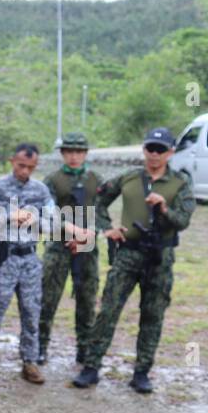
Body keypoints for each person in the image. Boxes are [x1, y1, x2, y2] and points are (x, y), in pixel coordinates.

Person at [74, 127, 195, 394]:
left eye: (160, 150)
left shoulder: (180, 183)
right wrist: (107, 228)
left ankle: (141, 372)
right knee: (108, 310)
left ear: (171, 153)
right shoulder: (129, 178)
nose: (154, 154)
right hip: (128, 253)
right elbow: (98, 201)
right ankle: (91, 367)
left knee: (152, 314)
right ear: (143, 150)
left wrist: (164, 208)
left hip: (160, 256)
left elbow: (184, 220)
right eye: (150, 148)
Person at [0, 143, 57, 385]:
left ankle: (29, 362)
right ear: (12, 161)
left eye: (30, 167)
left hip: (30, 259)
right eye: (21, 165)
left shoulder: (41, 190)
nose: (25, 171)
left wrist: (36, 219)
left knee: (32, 313)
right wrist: (9, 216)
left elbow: (53, 223)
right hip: (5, 257)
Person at [39, 132, 101, 365]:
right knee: (48, 299)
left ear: (85, 154)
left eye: (78, 152)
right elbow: (48, 212)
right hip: (58, 245)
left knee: (87, 299)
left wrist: (88, 233)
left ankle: (84, 348)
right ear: (63, 154)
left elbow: (102, 211)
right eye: (69, 152)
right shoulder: (52, 180)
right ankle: (40, 345)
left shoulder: (96, 179)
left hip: (87, 245)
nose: (74, 156)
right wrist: (71, 230)